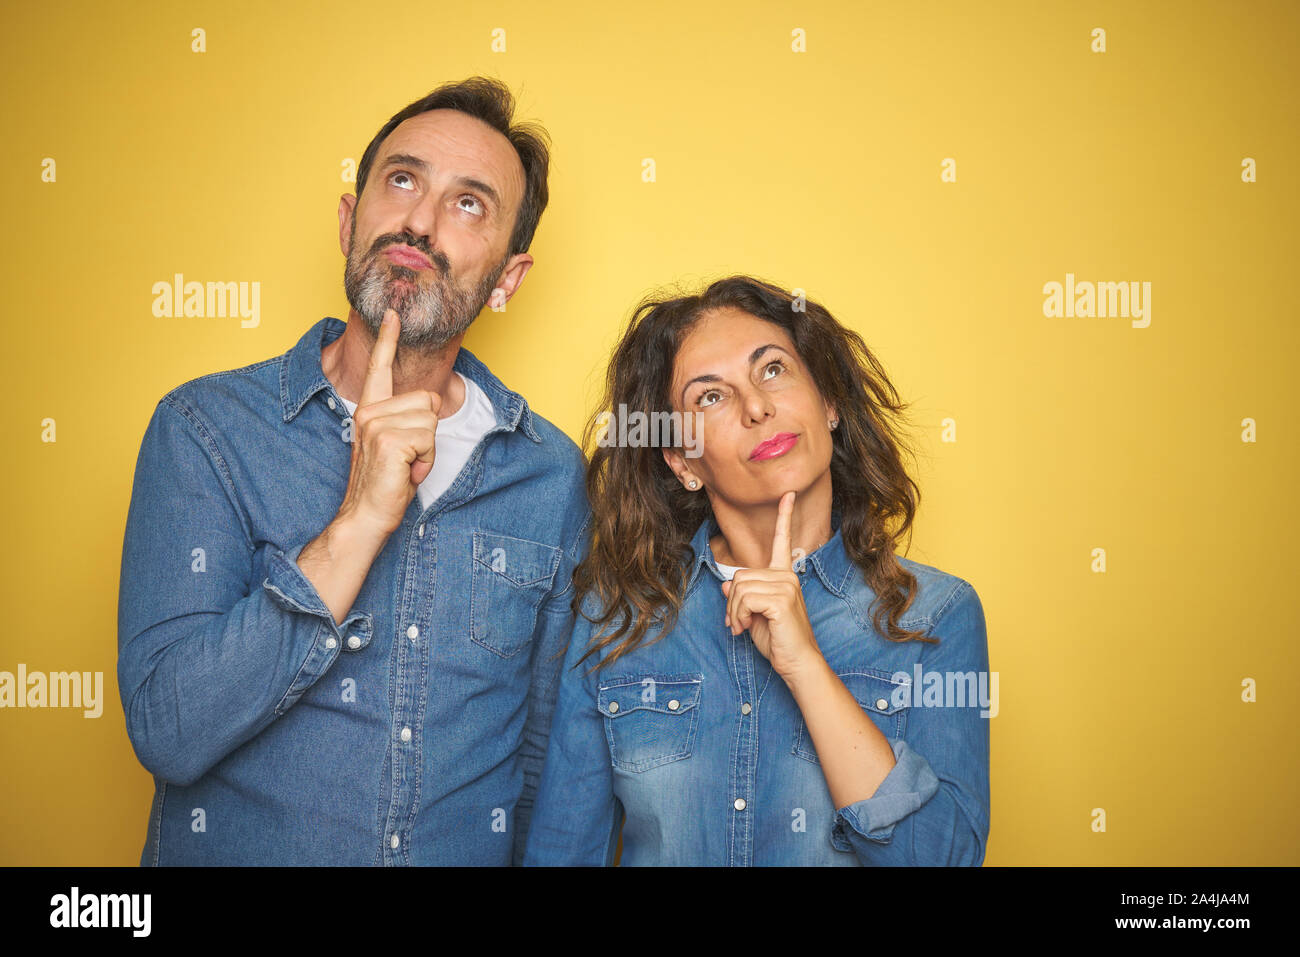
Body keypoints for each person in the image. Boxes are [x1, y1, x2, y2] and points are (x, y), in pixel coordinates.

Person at [117, 77, 589, 865]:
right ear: (349, 220)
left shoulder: (548, 476)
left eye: (470, 203)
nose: (420, 221)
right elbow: (169, 729)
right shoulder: (205, 430)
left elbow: (543, 763)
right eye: (402, 180)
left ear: (509, 277)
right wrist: (359, 522)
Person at [523, 276, 991, 865]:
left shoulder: (937, 615)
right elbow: (563, 853)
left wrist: (805, 666)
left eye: (772, 369)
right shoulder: (617, 619)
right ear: (682, 461)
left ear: (829, 404)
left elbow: (944, 858)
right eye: (710, 397)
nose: (757, 407)